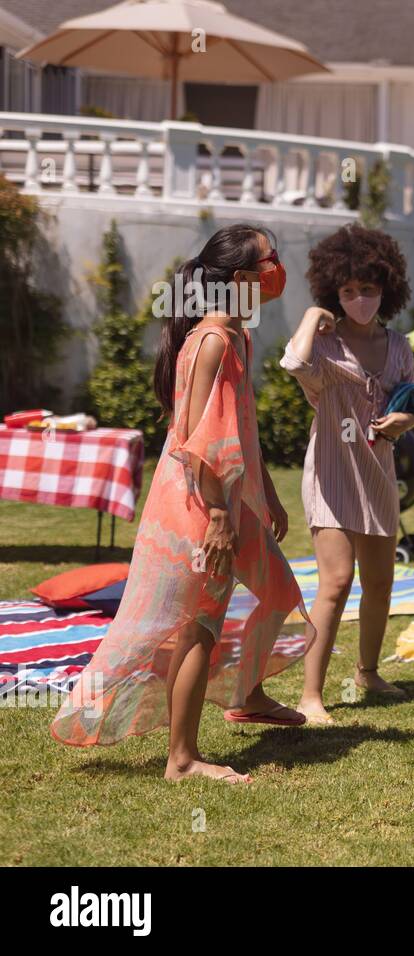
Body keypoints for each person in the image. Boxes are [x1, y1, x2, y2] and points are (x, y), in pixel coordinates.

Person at [50, 224, 313, 782]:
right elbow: (199, 439)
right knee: (199, 627)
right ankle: (182, 759)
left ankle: (248, 695)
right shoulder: (214, 340)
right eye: (271, 261)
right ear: (242, 279)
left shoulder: (233, 336)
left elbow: (238, 428)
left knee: (279, 590)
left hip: (227, 500)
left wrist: (264, 493)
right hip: (199, 508)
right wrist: (219, 516)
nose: (278, 270)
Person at [281, 224, 414, 724]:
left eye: (367, 288)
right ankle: (310, 695)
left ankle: (368, 671)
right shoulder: (323, 340)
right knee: (337, 582)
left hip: (378, 470)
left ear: (386, 287)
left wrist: (404, 421)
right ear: (331, 292)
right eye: (346, 290)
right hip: (332, 473)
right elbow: (293, 361)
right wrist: (314, 314)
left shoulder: (400, 346)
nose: (358, 298)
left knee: (381, 582)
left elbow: (412, 402)